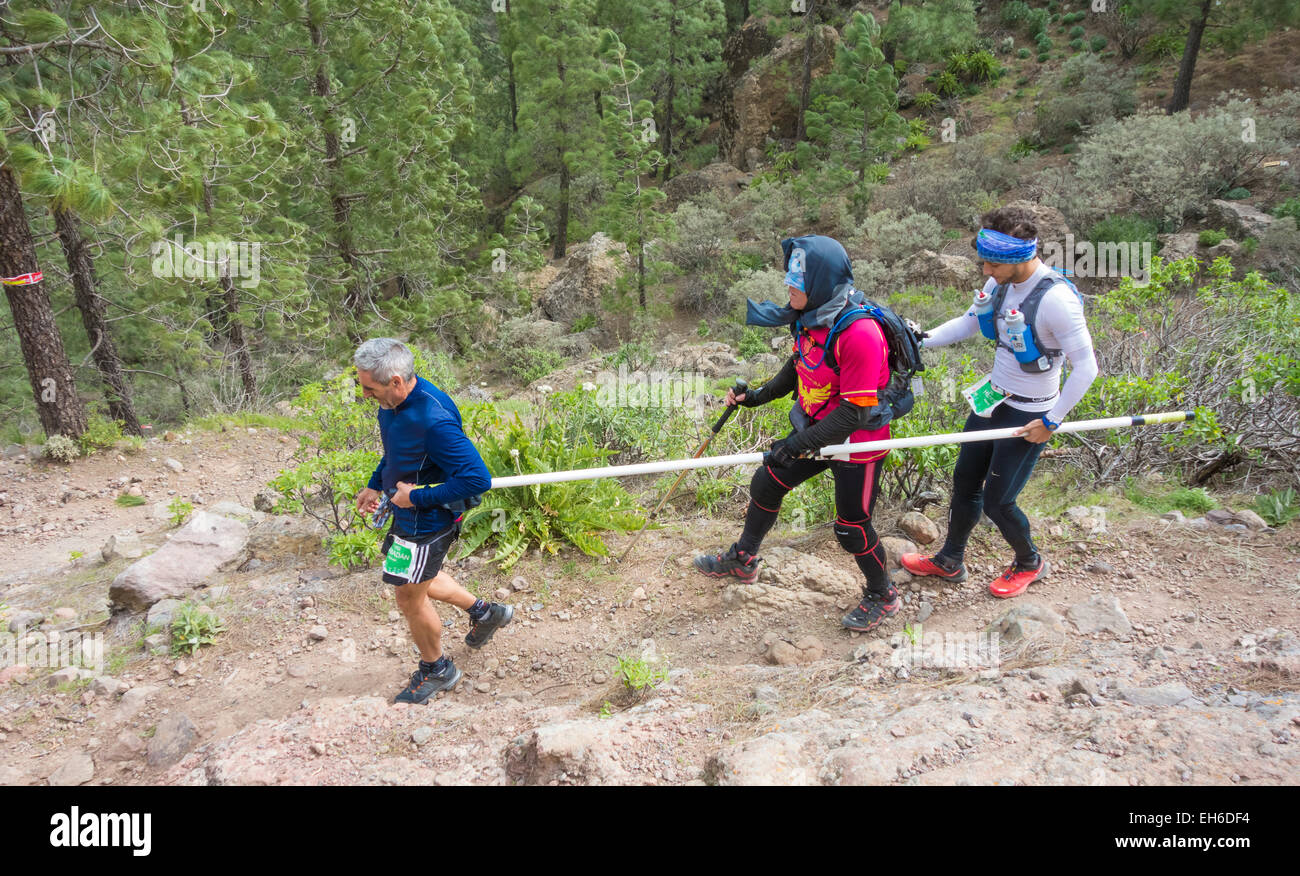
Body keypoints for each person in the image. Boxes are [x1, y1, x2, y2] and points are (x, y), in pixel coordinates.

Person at [694, 235, 901, 632]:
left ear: (821, 282)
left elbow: (855, 413)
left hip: (858, 442)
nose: (788, 287)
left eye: (797, 280)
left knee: (851, 527)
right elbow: (798, 369)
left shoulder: (859, 334)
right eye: (789, 277)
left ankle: (882, 594)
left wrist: (795, 445)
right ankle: (744, 559)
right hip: (815, 429)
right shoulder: (810, 318)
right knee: (767, 482)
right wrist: (753, 398)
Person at [900, 205, 1099, 598]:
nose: (986, 272)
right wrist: (920, 339)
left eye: (992, 264)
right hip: (992, 400)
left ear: (1019, 258)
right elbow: (970, 322)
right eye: (984, 262)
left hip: (1030, 413)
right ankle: (949, 561)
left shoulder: (1057, 300)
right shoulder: (1000, 284)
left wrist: (1052, 420)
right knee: (964, 483)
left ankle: (1029, 562)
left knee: (999, 501)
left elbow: (1087, 369)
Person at [352, 338, 511, 704]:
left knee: (408, 598)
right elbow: (396, 452)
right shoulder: (391, 404)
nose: (364, 395)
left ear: (395, 380)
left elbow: (477, 478)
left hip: (426, 522)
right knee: (419, 578)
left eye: (369, 388)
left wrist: (416, 497)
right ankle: (486, 613)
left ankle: (437, 669)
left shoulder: (432, 418)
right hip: (408, 514)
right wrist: (376, 484)